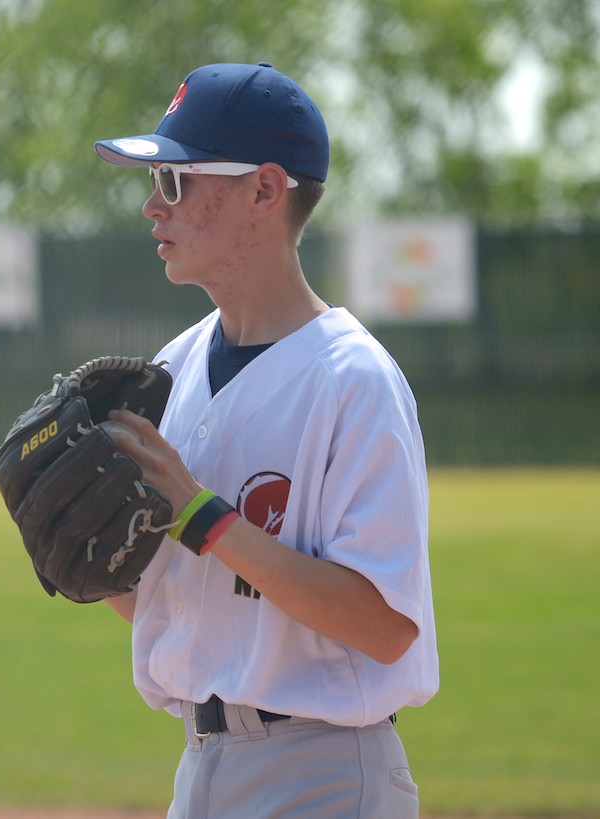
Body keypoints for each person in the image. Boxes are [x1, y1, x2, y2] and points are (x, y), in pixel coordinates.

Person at [93, 62, 439, 818]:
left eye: (177, 181)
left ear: (263, 190)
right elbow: (183, 601)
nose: (154, 205)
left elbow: (383, 626)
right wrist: (84, 556)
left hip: (323, 773)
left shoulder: (353, 379)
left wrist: (202, 516)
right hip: (200, 765)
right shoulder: (171, 371)